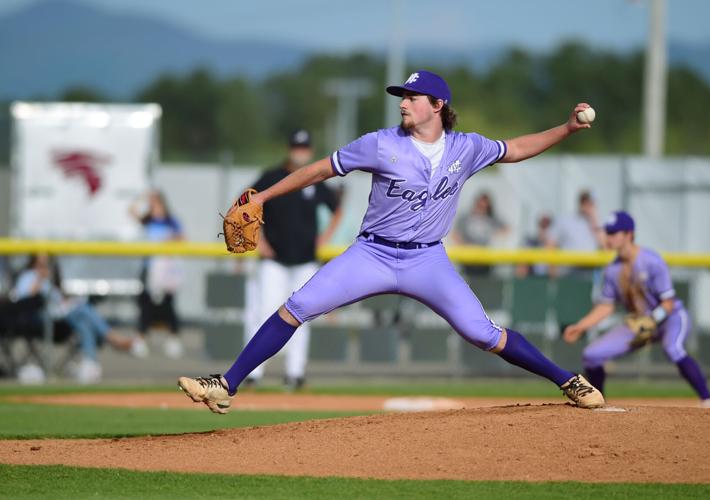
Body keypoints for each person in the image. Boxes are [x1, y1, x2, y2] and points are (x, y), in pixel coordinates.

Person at [178, 69, 605, 413]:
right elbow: (321, 170)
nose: (402, 102)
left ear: (437, 106)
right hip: (372, 253)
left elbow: (516, 148)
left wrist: (566, 129)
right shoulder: (380, 144)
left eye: (412, 97)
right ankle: (225, 383)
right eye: (402, 96)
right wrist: (266, 195)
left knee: (482, 333)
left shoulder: (467, 148)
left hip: (428, 261)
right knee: (297, 307)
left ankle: (567, 380)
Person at [562, 211, 710, 408]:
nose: (608, 237)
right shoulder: (612, 270)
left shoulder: (651, 261)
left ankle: (708, 399)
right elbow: (606, 306)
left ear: (629, 234)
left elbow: (668, 302)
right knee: (592, 355)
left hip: (670, 318)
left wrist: (652, 320)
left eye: (614, 232)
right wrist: (581, 326)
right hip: (639, 323)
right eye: (607, 232)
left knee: (673, 349)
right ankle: (597, 404)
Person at [243, 129, 342, 390]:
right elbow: (246, 205)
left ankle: (295, 373)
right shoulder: (272, 177)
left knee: (301, 316)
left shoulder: (315, 181)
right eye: (297, 147)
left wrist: (326, 236)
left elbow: (337, 209)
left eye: (305, 148)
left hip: (305, 260)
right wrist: (257, 241)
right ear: (289, 149)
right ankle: (253, 372)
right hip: (273, 260)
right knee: (263, 312)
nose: (301, 152)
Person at [13, 253, 135, 383]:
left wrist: (65, 299)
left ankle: (90, 364)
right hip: (39, 319)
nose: (44, 267)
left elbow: (59, 301)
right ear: (33, 263)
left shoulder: (51, 280)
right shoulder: (28, 276)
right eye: (41, 264)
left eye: (46, 264)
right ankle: (113, 338)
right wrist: (39, 279)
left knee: (82, 320)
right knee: (82, 310)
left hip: (60, 317)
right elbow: (23, 300)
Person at [128, 190, 185, 359]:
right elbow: (131, 211)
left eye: (155, 202)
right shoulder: (148, 220)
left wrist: (171, 239)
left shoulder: (171, 221)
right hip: (149, 268)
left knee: (168, 304)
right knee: (145, 304)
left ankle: (173, 337)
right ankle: (141, 338)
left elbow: (182, 238)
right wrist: (142, 197)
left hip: (166, 269)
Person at [551, 190, 605, 277]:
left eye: (590, 203)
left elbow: (604, 245)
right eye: (584, 202)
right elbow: (551, 244)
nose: (587, 206)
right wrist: (553, 271)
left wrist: (594, 221)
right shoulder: (565, 220)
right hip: (569, 269)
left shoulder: (598, 223)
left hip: (590, 269)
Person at [453, 192, 509, 276]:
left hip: (485, 258)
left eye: (485, 207)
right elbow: (455, 234)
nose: (482, 209)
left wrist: (494, 237)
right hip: (468, 257)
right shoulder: (466, 217)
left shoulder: (491, 218)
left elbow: (506, 229)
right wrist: (465, 246)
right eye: (480, 206)